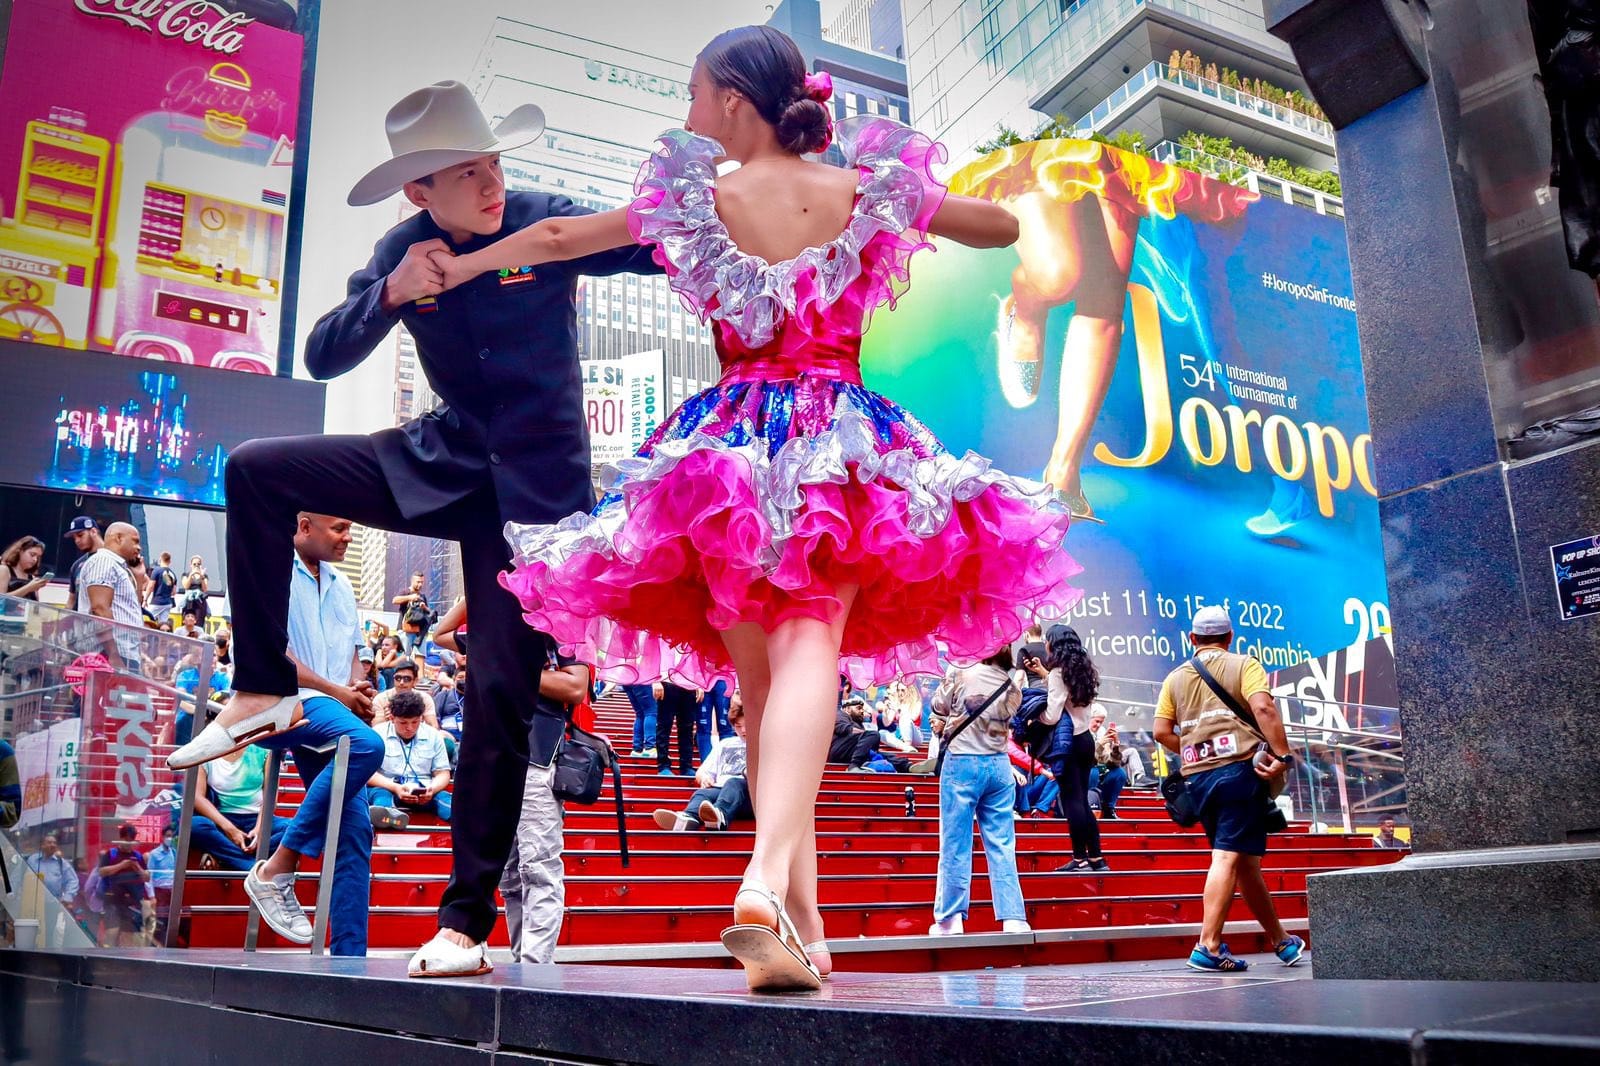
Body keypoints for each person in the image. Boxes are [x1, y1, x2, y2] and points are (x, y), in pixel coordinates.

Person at [446, 26, 1081, 991]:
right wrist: (904, 202)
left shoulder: (699, 202)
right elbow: (998, 227)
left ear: (735, 100)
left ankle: (787, 908)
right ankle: (780, 901)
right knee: (809, 650)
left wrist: (460, 268)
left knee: (758, 689)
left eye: (697, 93)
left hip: (724, 456)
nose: (690, 112)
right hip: (839, 438)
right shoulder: (856, 189)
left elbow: (559, 239)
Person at [166, 78, 662, 980]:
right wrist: (389, 293)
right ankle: (260, 686)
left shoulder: (543, 219)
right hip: (441, 462)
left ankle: (465, 925)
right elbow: (323, 352)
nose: (492, 183)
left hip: (539, 497)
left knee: (503, 697)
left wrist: (758, 205)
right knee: (255, 469)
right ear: (419, 192)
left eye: (494, 163)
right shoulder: (403, 247)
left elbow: (656, 249)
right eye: (467, 172)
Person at [237, 512, 388, 955]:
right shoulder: (271, 571)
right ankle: (278, 867)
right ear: (304, 526)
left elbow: (353, 659)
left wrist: (357, 687)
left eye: (349, 531)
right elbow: (273, 660)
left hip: (325, 713)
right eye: (339, 530)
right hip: (275, 706)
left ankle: (348, 961)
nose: (347, 538)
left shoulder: (342, 586)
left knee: (355, 831)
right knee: (368, 744)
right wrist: (338, 691)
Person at [1153, 605, 1305, 972]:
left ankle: (1281, 941)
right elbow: (1264, 709)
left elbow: (1160, 732)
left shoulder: (1174, 678)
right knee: (1227, 858)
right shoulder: (1244, 664)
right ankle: (1207, 945)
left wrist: (1193, 751)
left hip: (1198, 780)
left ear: (1192, 640)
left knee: (1244, 861)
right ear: (1229, 638)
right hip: (1240, 771)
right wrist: (1283, 757)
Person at [499, 636, 592, 965]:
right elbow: (441, 635)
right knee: (508, 875)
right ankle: (523, 963)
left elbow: (576, 688)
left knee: (538, 868)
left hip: (538, 760)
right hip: (498, 760)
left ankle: (535, 967)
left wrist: (505, 669)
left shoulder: (565, 625)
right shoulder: (498, 622)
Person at [928, 648, 1031, 937]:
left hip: (962, 762)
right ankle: (1013, 918)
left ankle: (950, 919)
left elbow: (939, 705)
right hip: (999, 765)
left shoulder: (960, 673)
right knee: (1002, 843)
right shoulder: (1012, 686)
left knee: (955, 842)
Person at [1042, 625, 1109, 872]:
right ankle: (1096, 857)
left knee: (1072, 801)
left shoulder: (1058, 672)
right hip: (1085, 741)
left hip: (1067, 743)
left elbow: (1051, 715)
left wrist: (1033, 719)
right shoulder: (1083, 669)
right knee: (1080, 799)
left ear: (1053, 644)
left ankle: (1079, 858)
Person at [654, 694, 751, 831]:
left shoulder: (763, 743)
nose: (743, 730)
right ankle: (689, 819)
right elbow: (701, 772)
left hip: (749, 797)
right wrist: (705, 778)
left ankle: (720, 816)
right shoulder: (725, 744)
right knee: (702, 794)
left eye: (747, 725)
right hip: (722, 792)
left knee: (733, 783)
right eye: (738, 726)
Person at [188, 745, 290, 871]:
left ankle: (226, 858)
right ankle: (253, 867)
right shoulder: (205, 751)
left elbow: (271, 796)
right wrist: (230, 829)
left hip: (258, 818)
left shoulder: (264, 750)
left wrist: (259, 830)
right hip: (222, 821)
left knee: (292, 828)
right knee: (194, 825)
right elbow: (197, 797)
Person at [367, 691, 453, 823]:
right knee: (380, 796)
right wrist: (395, 788)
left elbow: (443, 773)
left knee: (447, 802)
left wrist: (432, 789)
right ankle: (389, 819)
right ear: (392, 718)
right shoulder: (377, 734)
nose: (409, 728)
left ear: (421, 718)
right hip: (389, 787)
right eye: (403, 723)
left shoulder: (433, 735)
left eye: (415, 722)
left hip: (424, 791)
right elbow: (369, 774)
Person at [78, 522, 146, 671]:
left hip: (122, 653)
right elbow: (99, 609)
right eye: (135, 541)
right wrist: (113, 655)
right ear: (118, 538)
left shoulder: (117, 566)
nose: (139, 548)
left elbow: (129, 608)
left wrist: (139, 578)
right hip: (109, 655)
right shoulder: (104, 561)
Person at [96, 825, 149, 947]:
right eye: (126, 839)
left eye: (131, 840)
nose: (128, 843)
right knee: (111, 933)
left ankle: (124, 963)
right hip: (112, 901)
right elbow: (101, 872)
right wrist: (121, 865)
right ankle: (105, 959)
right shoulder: (111, 854)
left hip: (131, 902)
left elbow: (146, 877)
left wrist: (138, 868)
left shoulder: (138, 856)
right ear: (121, 838)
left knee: (128, 937)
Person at [24, 834, 78, 909]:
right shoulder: (32, 860)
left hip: (53, 905)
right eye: (49, 842)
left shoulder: (61, 862)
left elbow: (73, 880)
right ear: (42, 845)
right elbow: (21, 876)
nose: (53, 845)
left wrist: (67, 896)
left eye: (54, 843)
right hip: (33, 904)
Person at [656, 682, 697, 776]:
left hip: (689, 684)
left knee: (687, 728)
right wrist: (656, 681)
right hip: (667, 682)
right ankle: (663, 766)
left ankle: (686, 766)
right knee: (664, 727)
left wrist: (698, 684)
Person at [63, 516, 102, 612]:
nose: (77, 540)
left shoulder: (114, 559)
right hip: (80, 623)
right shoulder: (77, 565)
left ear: (93, 532)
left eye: (80, 535)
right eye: (74, 538)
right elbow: (71, 600)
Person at [146, 826, 177, 941]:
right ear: (162, 837)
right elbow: (148, 876)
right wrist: (152, 896)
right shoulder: (154, 854)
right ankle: (158, 945)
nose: (170, 838)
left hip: (172, 891)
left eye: (172, 836)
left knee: (171, 920)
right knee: (160, 921)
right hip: (160, 892)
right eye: (168, 836)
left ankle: (168, 943)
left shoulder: (173, 852)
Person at [393, 571, 432, 655]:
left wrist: (424, 607)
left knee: (420, 656)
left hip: (419, 632)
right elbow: (395, 600)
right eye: (418, 582)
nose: (420, 584)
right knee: (404, 656)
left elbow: (428, 612)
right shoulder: (405, 592)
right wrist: (410, 597)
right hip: (406, 630)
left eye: (422, 582)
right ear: (412, 581)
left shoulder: (422, 596)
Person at [0, 535, 50, 601]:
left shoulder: (31, 577)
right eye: (32, 555)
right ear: (20, 551)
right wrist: (28, 588)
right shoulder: (4, 570)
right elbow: (1, 599)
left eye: (38, 557)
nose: (35, 559)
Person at [695, 679, 733, 761]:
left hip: (724, 678)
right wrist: (696, 683)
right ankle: (706, 764)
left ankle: (726, 765)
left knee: (725, 727)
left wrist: (735, 686)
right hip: (703, 680)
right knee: (703, 728)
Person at [624, 683, 658, 758]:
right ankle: (650, 747)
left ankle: (637, 749)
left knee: (640, 714)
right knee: (651, 712)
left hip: (628, 680)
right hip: (644, 679)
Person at [179, 555, 211, 626]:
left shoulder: (204, 576)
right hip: (189, 601)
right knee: (187, 622)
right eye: (194, 564)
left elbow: (205, 589)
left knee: (199, 623)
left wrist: (201, 576)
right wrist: (191, 575)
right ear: (191, 565)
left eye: (198, 564)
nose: (196, 566)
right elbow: (186, 586)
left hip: (200, 601)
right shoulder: (186, 574)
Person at [145, 551, 178, 619]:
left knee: (146, 619)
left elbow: (150, 586)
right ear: (169, 561)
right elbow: (173, 592)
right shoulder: (173, 574)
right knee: (163, 624)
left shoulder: (157, 571)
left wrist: (145, 599)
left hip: (157, 602)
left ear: (160, 559)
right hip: (168, 603)